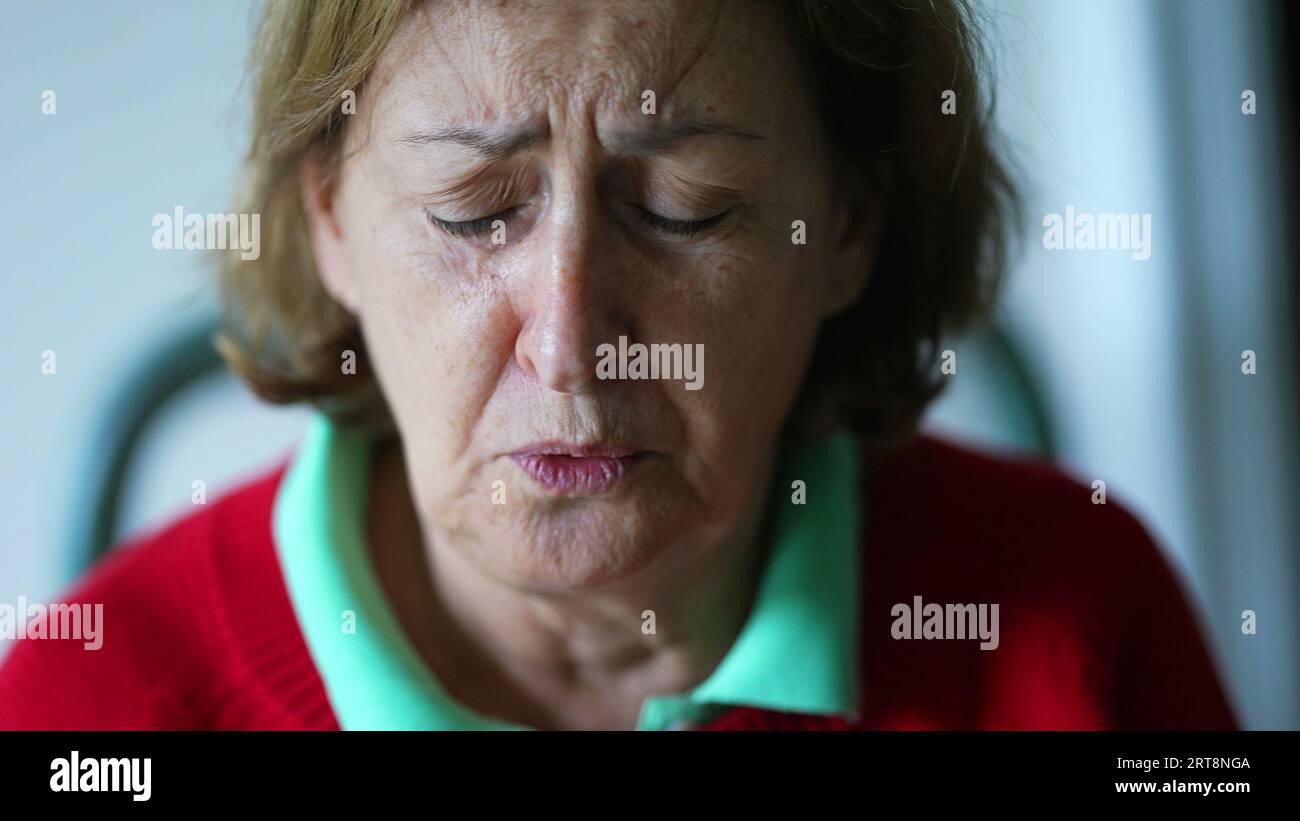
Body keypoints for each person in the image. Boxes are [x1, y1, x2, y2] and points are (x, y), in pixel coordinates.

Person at [0, 0, 1236, 730]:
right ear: (330, 221)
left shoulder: (1078, 621)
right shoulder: (86, 703)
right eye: (475, 209)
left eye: (689, 208)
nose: (571, 338)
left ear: (848, 227)